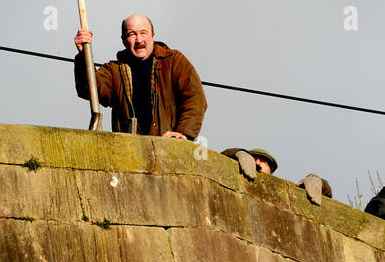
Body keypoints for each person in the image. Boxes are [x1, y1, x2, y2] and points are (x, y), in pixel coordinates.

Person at [74, 14, 206, 138]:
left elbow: (195, 100)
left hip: (169, 152)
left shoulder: (174, 61)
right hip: (128, 154)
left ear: (152, 36)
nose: (139, 40)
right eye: (132, 34)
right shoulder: (114, 71)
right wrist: (83, 54)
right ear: (124, 40)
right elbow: (90, 90)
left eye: (143, 33)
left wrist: (182, 135)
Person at [221, 147, 332, 203]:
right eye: (254, 159)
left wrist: (318, 181)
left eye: (263, 162)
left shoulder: (281, 191)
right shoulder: (236, 175)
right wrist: (238, 152)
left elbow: (325, 202)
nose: (257, 163)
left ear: (270, 170)